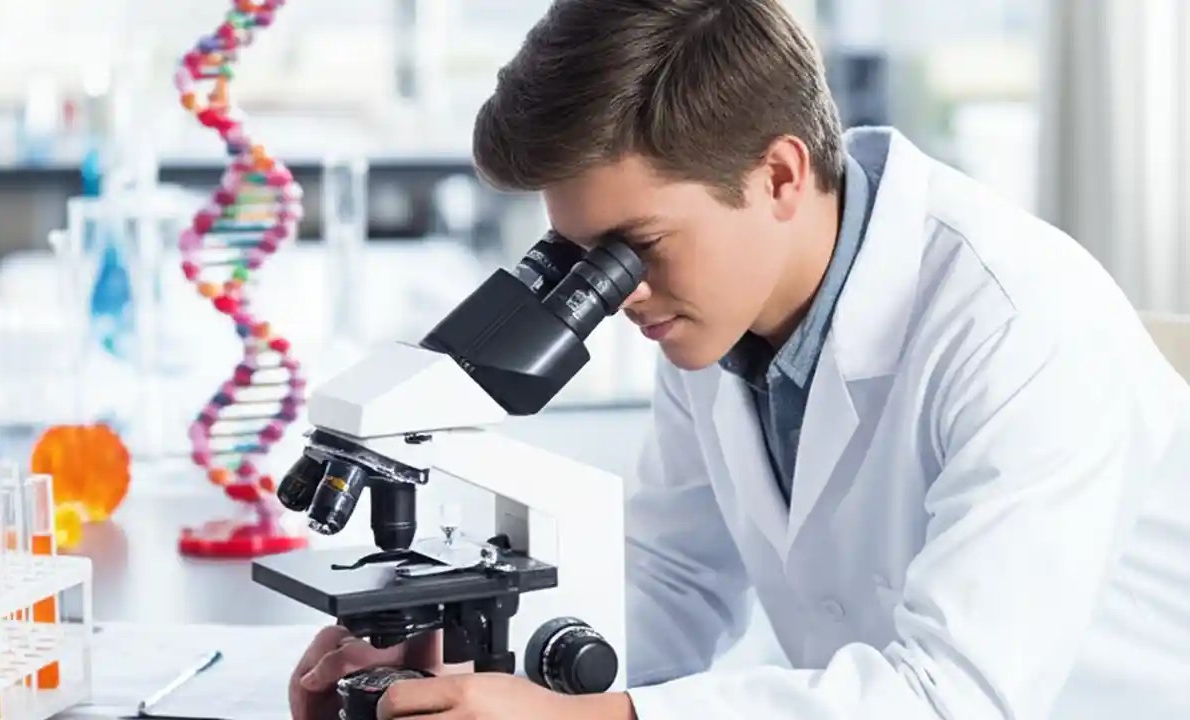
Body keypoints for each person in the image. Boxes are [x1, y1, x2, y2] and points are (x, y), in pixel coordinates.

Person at [290, 1, 1190, 718]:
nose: (619, 291)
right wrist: (455, 669)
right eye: (581, 259)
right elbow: (678, 578)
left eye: (635, 245)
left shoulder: (1019, 322)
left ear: (781, 175)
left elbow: (951, 695)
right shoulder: (710, 304)